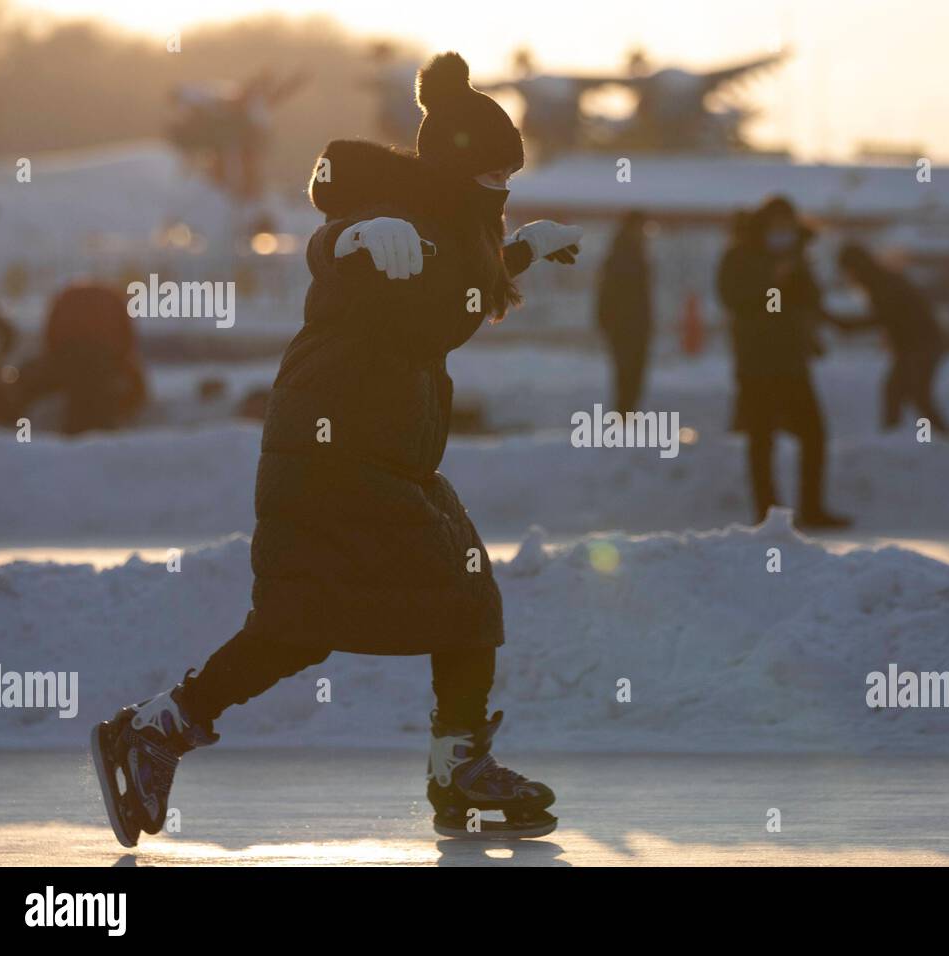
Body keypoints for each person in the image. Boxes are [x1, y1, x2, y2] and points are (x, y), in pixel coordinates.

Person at [91, 52, 585, 844]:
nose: (501, 190)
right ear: (458, 169)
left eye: (509, 177)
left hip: (380, 459)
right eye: (492, 175)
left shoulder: (451, 229)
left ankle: (161, 727)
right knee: (428, 605)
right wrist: (351, 236)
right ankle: (450, 765)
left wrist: (519, 251)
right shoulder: (392, 222)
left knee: (312, 622)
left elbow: (447, 306)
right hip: (332, 457)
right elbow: (346, 265)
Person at [717, 196, 849, 529]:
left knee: (814, 434)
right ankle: (767, 513)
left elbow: (809, 301)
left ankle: (812, 508)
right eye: (776, 228)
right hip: (756, 363)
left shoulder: (797, 258)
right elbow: (734, 300)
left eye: (787, 228)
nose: (782, 234)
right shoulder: (740, 257)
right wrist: (771, 282)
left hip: (791, 361)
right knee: (762, 439)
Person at [0, 282, 146, 434]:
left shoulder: (68, 300)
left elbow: (48, 338)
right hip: (104, 365)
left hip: (66, 358)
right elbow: (127, 343)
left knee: (20, 388)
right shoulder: (111, 301)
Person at [835, 243, 949, 437]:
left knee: (900, 392)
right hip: (921, 344)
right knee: (913, 394)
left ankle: (897, 439)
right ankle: (940, 437)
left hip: (919, 345)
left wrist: (847, 326)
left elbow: (882, 318)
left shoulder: (880, 283)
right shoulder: (882, 280)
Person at [595, 210, 653, 412]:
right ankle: (625, 414)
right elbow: (612, 293)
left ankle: (626, 413)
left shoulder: (626, 251)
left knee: (629, 374)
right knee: (629, 373)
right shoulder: (626, 254)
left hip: (629, 325)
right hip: (627, 326)